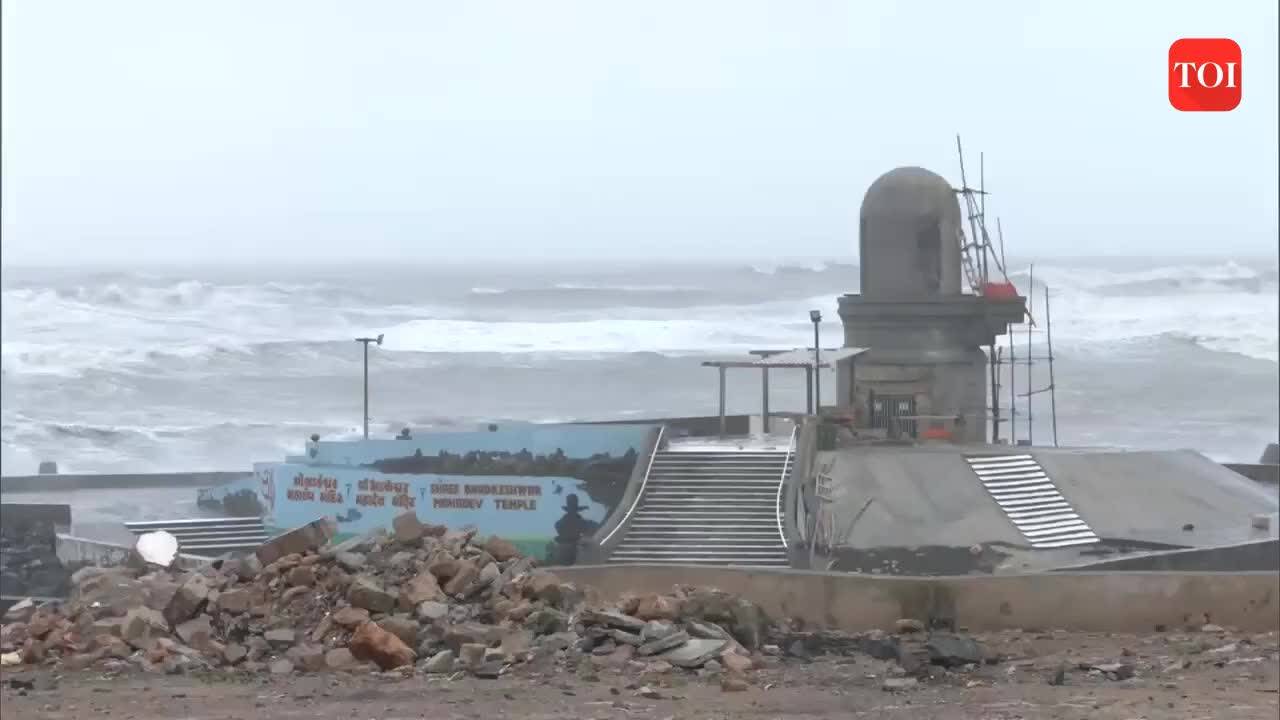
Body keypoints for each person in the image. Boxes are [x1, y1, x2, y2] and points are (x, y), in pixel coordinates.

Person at [552, 493, 591, 565]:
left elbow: (558, 526)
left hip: (569, 547)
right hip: (570, 547)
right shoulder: (577, 520)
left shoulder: (567, 520)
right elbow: (585, 529)